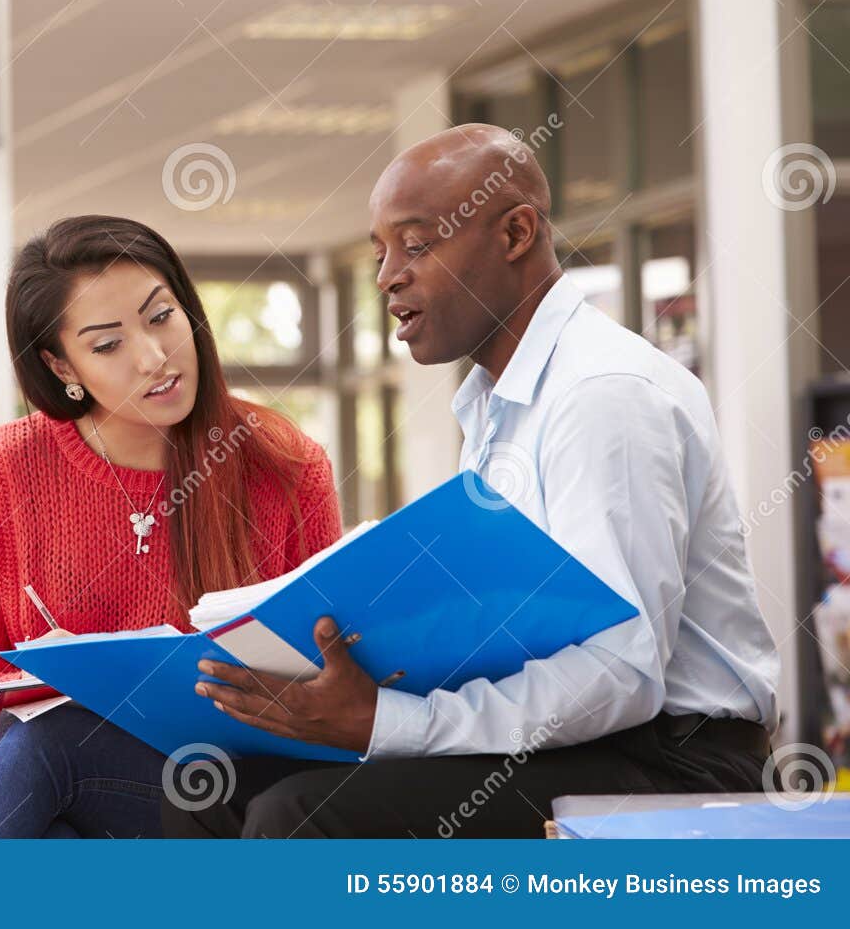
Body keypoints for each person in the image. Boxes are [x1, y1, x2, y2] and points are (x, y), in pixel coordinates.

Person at [168, 124, 781, 838]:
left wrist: (392, 719)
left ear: (516, 231)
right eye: (380, 252)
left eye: (417, 244)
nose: (387, 275)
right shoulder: (498, 404)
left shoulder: (602, 395)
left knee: (298, 817)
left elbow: (623, 671)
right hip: (575, 740)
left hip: (671, 760)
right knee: (205, 783)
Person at [0, 215, 343, 837]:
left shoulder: (283, 462)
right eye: (108, 344)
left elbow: (331, 666)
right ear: (62, 367)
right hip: (60, 786)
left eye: (161, 317)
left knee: (53, 748)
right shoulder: (3, 468)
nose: (154, 358)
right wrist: (34, 691)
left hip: (230, 787)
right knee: (52, 773)